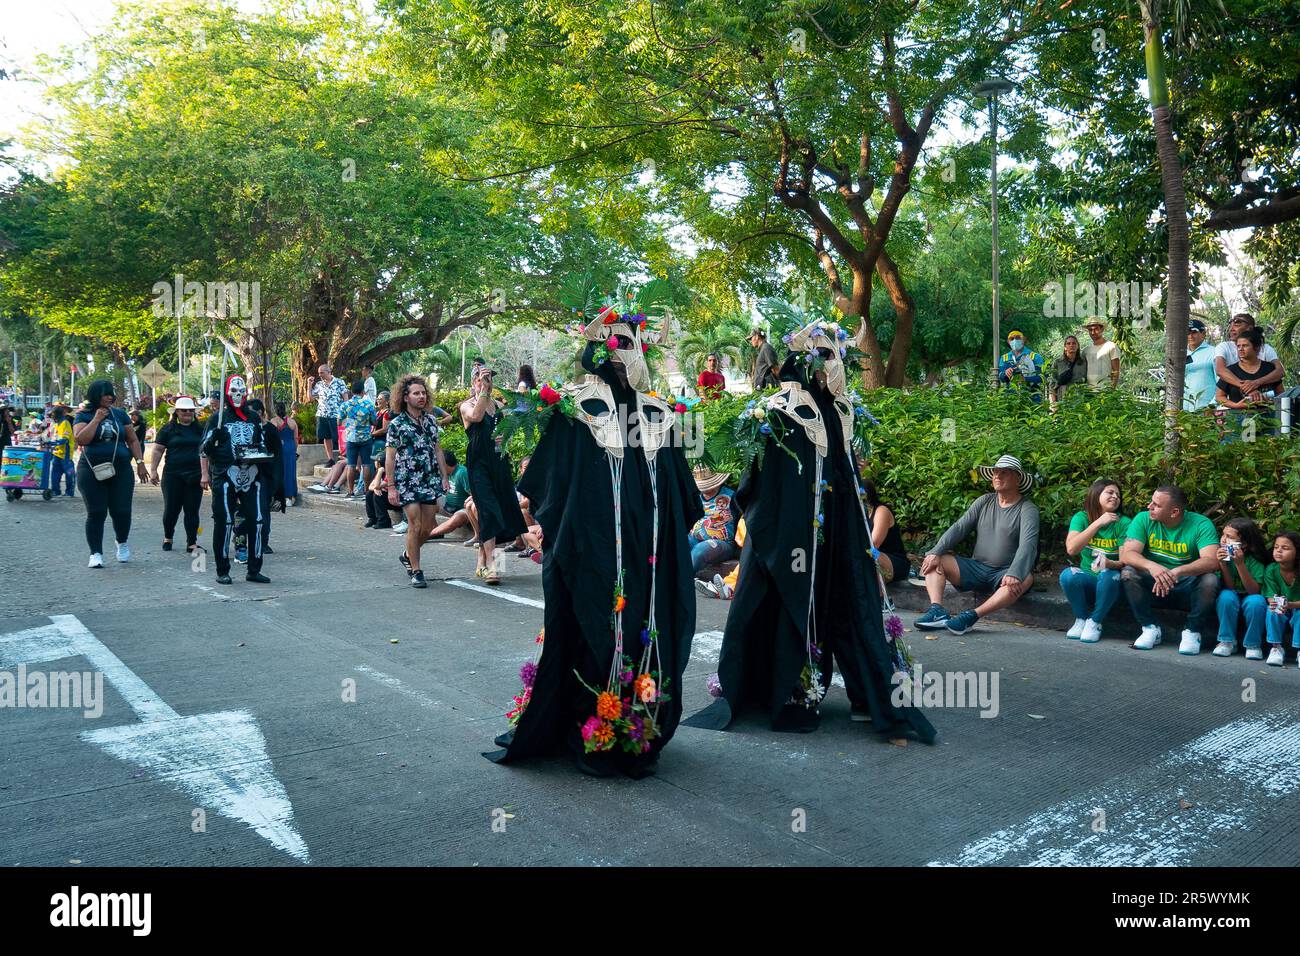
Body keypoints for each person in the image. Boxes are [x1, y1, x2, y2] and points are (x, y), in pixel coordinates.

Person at [687, 319, 935, 743]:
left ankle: (871, 693)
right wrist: (782, 532)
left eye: (841, 361)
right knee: (791, 603)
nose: (837, 371)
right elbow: (761, 482)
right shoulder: (782, 409)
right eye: (829, 361)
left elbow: (847, 473)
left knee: (854, 600)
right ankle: (795, 690)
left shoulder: (842, 409)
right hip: (792, 535)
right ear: (811, 364)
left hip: (840, 529)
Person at [486, 303, 704, 777]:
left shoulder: (660, 415)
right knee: (596, 627)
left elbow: (679, 494)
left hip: (647, 557)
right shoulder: (576, 410)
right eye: (620, 343)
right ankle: (593, 727)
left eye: (636, 343)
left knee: (646, 632)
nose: (630, 354)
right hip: (592, 550)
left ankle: (638, 725)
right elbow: (552, 487)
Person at [915, 455, 1041, 635]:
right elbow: (959, 527)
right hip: (976, 568)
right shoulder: (984, 501)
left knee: (1025, 578)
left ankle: (972, 616)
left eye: (1004, 473)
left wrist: (1015, 572)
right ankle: (937, 611)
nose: (997, 476)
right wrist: (935, 551)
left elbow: (1028, 546)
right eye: (996, 472)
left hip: (1004, 573)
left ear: (1018, 478)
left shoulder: (1027, 509)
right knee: (937, 560)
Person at [200, 374, 284, 585]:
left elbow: (262, 444)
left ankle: (254, 569)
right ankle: (222, 570)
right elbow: (203, 449)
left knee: (257, 521)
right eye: (234, 392)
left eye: (241, 391)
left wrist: (264, 457)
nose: (238, 395)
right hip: (226, 475)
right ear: (228, 394)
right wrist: (214, 440)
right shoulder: (218, 419)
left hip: (252, 474)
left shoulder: (254, 418)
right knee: (225, 522)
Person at [1120, 485, 1221, 654]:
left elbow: (1212, 561)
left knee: (1210, 579)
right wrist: (1153, 566)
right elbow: (1127, 555)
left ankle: (1192, 632)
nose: (1149, 507)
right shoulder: (1143, 519)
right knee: (1128, 572)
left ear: (1174, 512)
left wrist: (1177, 571)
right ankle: (1149, 627)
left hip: (1185, 583)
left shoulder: (1201, 524)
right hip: (1153, 581)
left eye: (1156, 505)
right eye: (1151, 502)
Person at [459, 367, 527, 585]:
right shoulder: (467, 405)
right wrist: (484, 392)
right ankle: (493, 566)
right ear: (474, 382)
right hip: (479, 465)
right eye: (482, 379)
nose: (487, 382)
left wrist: (503, 438)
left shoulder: (498, 407)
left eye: (489, 379)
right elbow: (477, 417)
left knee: (503, 511)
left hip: (499, 463)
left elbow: (507, 430)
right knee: (488, 510)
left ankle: (483, 557)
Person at [73, 380, 149, 567]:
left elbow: (132, 440)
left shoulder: (120, 415)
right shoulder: (83, 415)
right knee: (96, 512)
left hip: (121, 468)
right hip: (90, 469)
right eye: (105, 394)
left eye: (111, 394)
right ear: (95, 395)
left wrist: (140, 462)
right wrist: (97, 419)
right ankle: (96, 553)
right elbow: (81, 439)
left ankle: (121, 542)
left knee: (122, 511)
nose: (109, 397)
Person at [386, 373, 446, 588]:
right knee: (415, 524)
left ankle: (407, 555)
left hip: (429, 479)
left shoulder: (431, 420)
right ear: (405, 397)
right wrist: (391, 485)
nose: (421, 396)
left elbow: (438, 450)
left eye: (423, 393)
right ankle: (417, 571)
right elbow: (390, 456)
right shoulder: (396, 424)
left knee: (429, 527)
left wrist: (444, 477)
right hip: (407, 481)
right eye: (415, 393)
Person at [1059, 479, 1129, 644]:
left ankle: (1094, 622)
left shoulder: (1124, 523)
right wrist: (1098, 523)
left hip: (1113, 584)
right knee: (1068, 575)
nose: (1115, 497)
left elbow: (1125, 561)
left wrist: (1108, 563)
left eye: (1118, 495)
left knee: (1107, 574)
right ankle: (1081, 619)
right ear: (1096, 494)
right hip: (1089, 579)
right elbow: (1072, 549)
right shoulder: (1081, 518)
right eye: (1110, 492)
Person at [148, 395, 205, 554]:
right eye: (183, 410)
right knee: (171, 509)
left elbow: (207, 452)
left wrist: (207, 474)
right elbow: (158, 450)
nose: (187, 412)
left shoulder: (200, 430)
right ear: (177, 412)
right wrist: (153, 470)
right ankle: (168, 537)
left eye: (190, 410)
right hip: (173, 475)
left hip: (195, 474)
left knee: (192, 510)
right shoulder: (167, 429)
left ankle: (192, 543)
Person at [1211, 517, 1270, 659]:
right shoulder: (1222, 555)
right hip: (1233, 594)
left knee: (1256, 602)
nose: (1223, 540)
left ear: (1243, 543)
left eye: (1229, 537)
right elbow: (1230, 587)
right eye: (1223, 534)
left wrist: (1240, 564)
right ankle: (1227, 641)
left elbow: (1253, 591)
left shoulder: (1254, 560)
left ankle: (1253, 644)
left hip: (1250, 595)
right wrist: (1223, 565)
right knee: (1226, 597)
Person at [1215, 327, 1278, 435]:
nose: (1240, 349)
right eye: (1238, 346)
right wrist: (1236, 406)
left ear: (1257, 348)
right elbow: (1219, 397)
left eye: (1245, 345)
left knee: (1266, 449)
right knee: (1239, 450)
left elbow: (1281, 394)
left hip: (1267, 419)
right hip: (1239, 418)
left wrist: (1268, 401)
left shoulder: (1269, 369)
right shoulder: (1231, 370)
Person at [1214, 313, 1284, 397]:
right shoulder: (1224, 346)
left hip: (1265, 402)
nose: (1231, 328)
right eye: (1231, 325)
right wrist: (1248, 388)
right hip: (1230, 401)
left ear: (1249, 328)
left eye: (1237, 324)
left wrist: (1256, 383)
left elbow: (1280, 371)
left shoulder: (1265, 348)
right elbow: (1220, 370)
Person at [687, 466, 738, 575]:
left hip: (723, 543)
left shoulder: (732, 496)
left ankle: (682, 584)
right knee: (677, 544)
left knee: (699, 552)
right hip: (694, 537)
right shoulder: (695, 497)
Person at [1263, 532, 1300, 667]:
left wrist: (1290, 605)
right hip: (1283, 606)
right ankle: (1276, 647)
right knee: (1272, 611)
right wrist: (1273, 602)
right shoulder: (1271, 569)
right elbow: (1270, 595)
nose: (1278, 550)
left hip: (1297, 607)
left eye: (1285, 548)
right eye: (1276, 547)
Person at [863, 481, 909, 585]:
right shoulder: (860, 513)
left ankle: (880, 600)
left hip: (894, 561)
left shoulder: (881, 511)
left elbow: (874, 544)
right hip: (870, 555)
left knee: (871, 554)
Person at [338, 381, 376, 501]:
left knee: (351, 465)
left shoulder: (345, 405)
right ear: (363, 392)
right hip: (365, 438)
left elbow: (339, 422)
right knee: (366, 465)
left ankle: (350, 492)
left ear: (351, 392)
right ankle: (366, 492)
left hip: (351, 439)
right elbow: (374, 422)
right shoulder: (369, 404)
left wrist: (349, 423)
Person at [426, 450, 474, 540]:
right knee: (428, 499)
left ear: (445, 465)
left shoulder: (462, 473)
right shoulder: (446, 474)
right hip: (449, 506)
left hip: (462, 510)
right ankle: (433, 527)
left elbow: (475, 495)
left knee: (458, 517)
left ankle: (430, 534)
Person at [307, 363, 348, 466]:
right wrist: (309, 385)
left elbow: (346, 399)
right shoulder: (319, 384)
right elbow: (310, 399)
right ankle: (330, 459)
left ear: (329, 372)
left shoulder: (339, 382)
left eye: (322, 373)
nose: (319, 375)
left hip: (336, 415)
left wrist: (345, 414)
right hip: (322, 414)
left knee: (339, 436)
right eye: (319, 373)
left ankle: (344, 458)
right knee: (326, 437)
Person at [364, 391, 393, 528]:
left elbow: (385, 429)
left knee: (377, 467)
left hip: (380, 443)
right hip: (374, 441)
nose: (378, 400)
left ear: (387, 401)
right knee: (370, 492)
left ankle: (382, 520)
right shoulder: (378, 412)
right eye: (378, 398)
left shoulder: (387, 413)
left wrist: (371, 434)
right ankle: (372, 518)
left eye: (381, 399)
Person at [997, 331, 1045, 401]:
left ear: (1024, 339)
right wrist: (1005, 373)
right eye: (1012, 338)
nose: (1015, 340)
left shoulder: (1035, 357)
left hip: (1032, 399)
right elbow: (1001, 377)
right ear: (1008, 341)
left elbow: (1042, 377)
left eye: (1018, 337)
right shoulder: (1004, 358)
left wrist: (1025, 379)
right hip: (1010, 399)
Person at [1184, 319, 1218, 411]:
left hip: (1206, 409)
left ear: (1203, 334)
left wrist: (1212, 405)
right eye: (1187, 332)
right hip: (1183, 410)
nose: (1190, 336)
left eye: (1194, 332)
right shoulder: (1180, 354)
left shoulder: (1214, 352)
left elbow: (1221, 381)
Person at [272, 401, 300, 506]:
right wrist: (294, 449)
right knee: (290, 471)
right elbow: (296, 438)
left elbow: (272, 437)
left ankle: (281, 496)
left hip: (280, 448)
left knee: (280, 471)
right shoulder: (293, 422)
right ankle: (291, 496)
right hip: (291, 447)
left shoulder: (274, 421)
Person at [1081, 318, 1120, 389]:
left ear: (1102, 329)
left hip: (1105, 392)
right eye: (1090, 330)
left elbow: (1116, 371)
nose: (1093, 332)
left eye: (1096, 329)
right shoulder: (1085, 351)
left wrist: (1112, 389)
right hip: (1088, 392)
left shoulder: (1111, 346)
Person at [47, 405, 76, 497]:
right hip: (57, 453)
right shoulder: (56, 424)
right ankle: (56, 491)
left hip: (66, 454)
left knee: (69, 473)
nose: (51, 417)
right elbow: (50, 435)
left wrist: (54, 443)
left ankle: (69, 492)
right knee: (55, 474)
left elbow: (65, 439)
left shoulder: (65, 423)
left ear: (57, 415)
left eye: (53, 415)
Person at [1052, 335, 1088, 403]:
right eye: (1068, 343)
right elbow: (1052, 384)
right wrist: (1054, 403)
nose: (1071, 345)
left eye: (1074, 343)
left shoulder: (1083, 362)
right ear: (1065, 347)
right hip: (1062, 397)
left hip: (1079, 398)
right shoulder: (1058, 362)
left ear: (1077, 346)